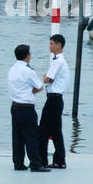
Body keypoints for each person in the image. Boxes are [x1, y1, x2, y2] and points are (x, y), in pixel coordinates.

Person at [8, 44, 49, 172]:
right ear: (27, 56)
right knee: (31, 136)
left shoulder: (12, 69)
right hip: (26, 107)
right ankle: (35, 164)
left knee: (17, 136)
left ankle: (18, 163)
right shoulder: (28, 71)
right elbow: (40, 87)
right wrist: (31, 92)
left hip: (15, 106)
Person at [39, 33, 70, 169]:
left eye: (52, 43)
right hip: (57, 99)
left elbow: (47, 79)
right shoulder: (60, 61)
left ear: (58, 45)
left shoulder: (57, 61)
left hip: (53, 99)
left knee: (43, 130)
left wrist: (45, 76)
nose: (50, 46)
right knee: (56, 131)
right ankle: (59, 160)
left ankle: (42, 160)